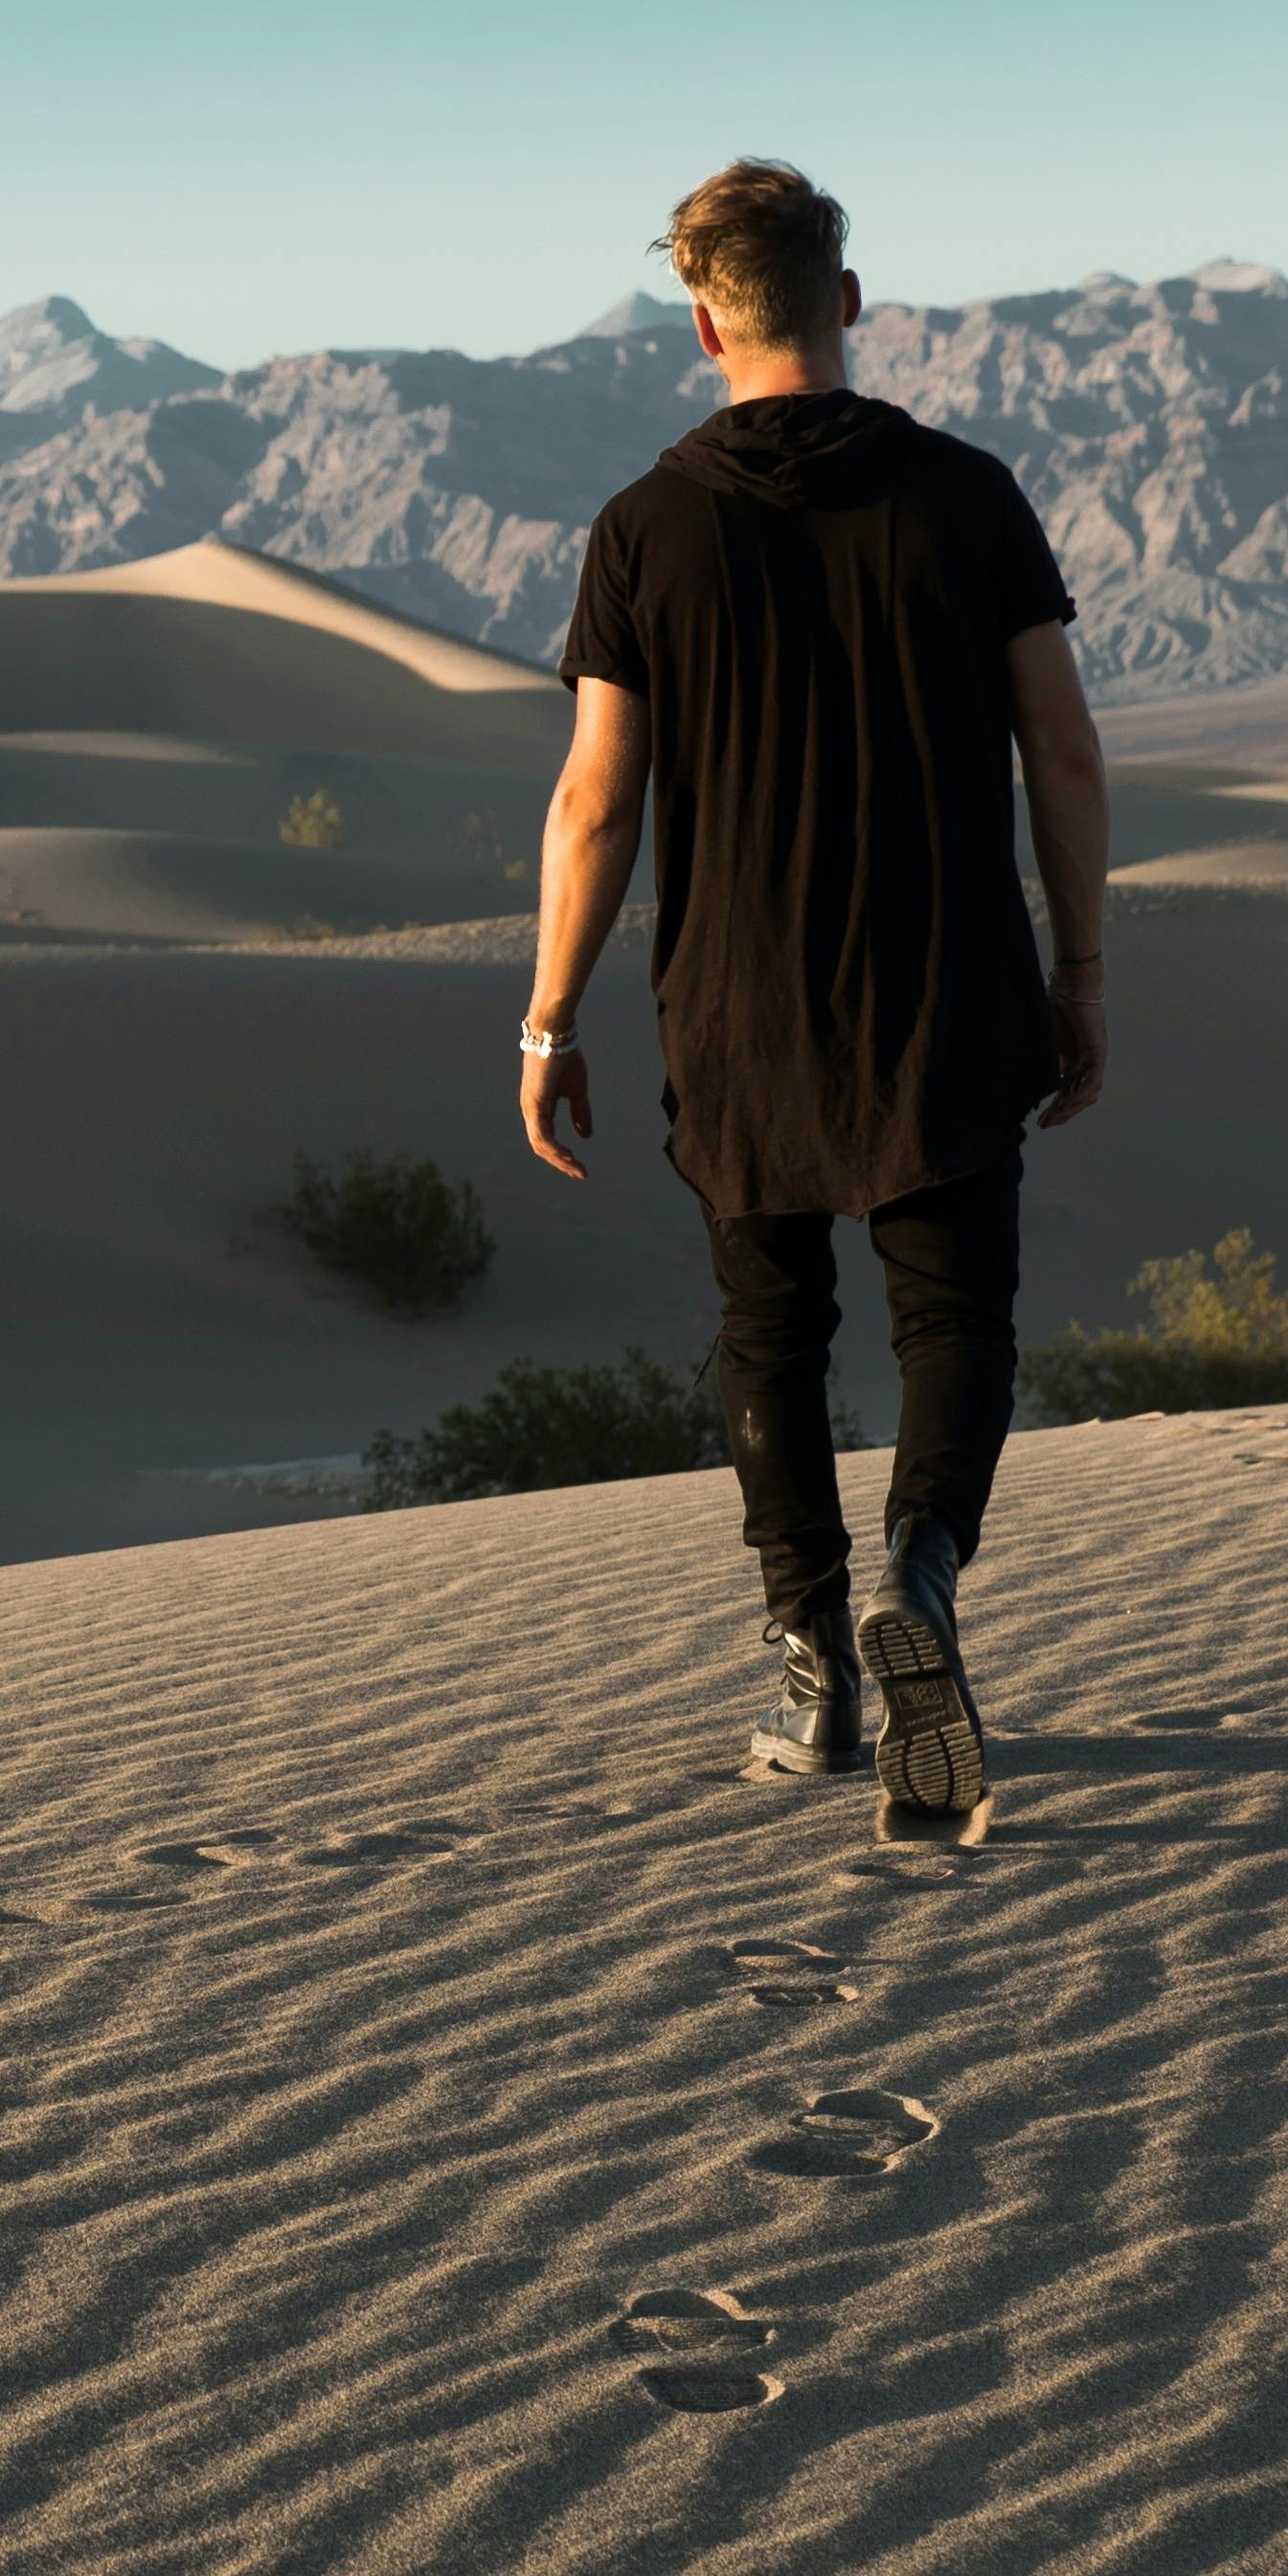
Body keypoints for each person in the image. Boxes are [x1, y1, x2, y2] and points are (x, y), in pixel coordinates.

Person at [518, 156, 1111, 1816]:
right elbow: (1060, 747)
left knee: (770, 1333)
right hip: (949, 991)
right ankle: (917, 1578)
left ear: (705, 322)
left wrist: (549, 1017)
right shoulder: (969, 495)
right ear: (844, 301)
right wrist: (1082, 967)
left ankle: (813, 1669)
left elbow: (593, 801)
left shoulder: (644, 529)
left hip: (736, 1008)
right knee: (955, 1321)